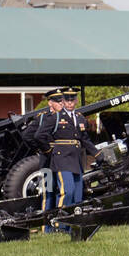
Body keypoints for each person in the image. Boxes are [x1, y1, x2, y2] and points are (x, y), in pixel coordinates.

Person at [40, 86, 99, 215]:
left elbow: (85, 139)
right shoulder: (55, 117)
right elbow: (39, 135)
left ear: (76, 101)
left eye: (73, 99)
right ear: (63, 101)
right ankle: (60, 222)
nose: (70, 103)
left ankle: (72, 224)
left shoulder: (80, 118)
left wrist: (97, 154)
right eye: (67, 100)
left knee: (77, 195)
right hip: (62, 159)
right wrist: (49, 150)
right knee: (67, 191)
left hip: (77, 160)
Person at [31, 88, 66, 226]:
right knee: (48, 192)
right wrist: (45, 149)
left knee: (59, 190)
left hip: (58, 158)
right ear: (50, 102)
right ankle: (46, 226)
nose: (61, 103)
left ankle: (57, 222)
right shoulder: (43, 117)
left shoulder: (63, 117)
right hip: (47, 159)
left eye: (62, 100)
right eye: (58, 101)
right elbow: (29, 136)